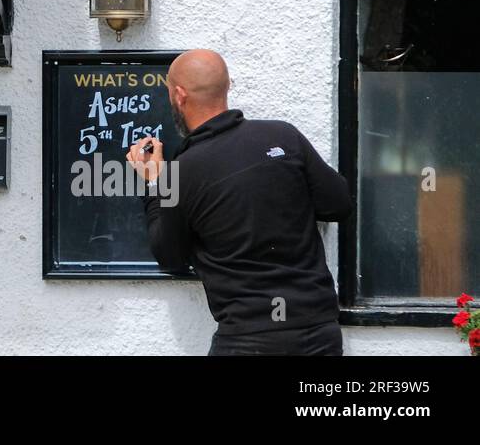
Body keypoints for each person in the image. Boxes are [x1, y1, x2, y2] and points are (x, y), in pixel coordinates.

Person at [125, 49, 352, 355]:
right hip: (317, 332)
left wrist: (155, 182)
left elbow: (170, 255)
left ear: (178, 95)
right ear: (228, 85)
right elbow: (338, 204)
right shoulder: (284, 136)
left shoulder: (183, 172)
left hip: (249, 339)